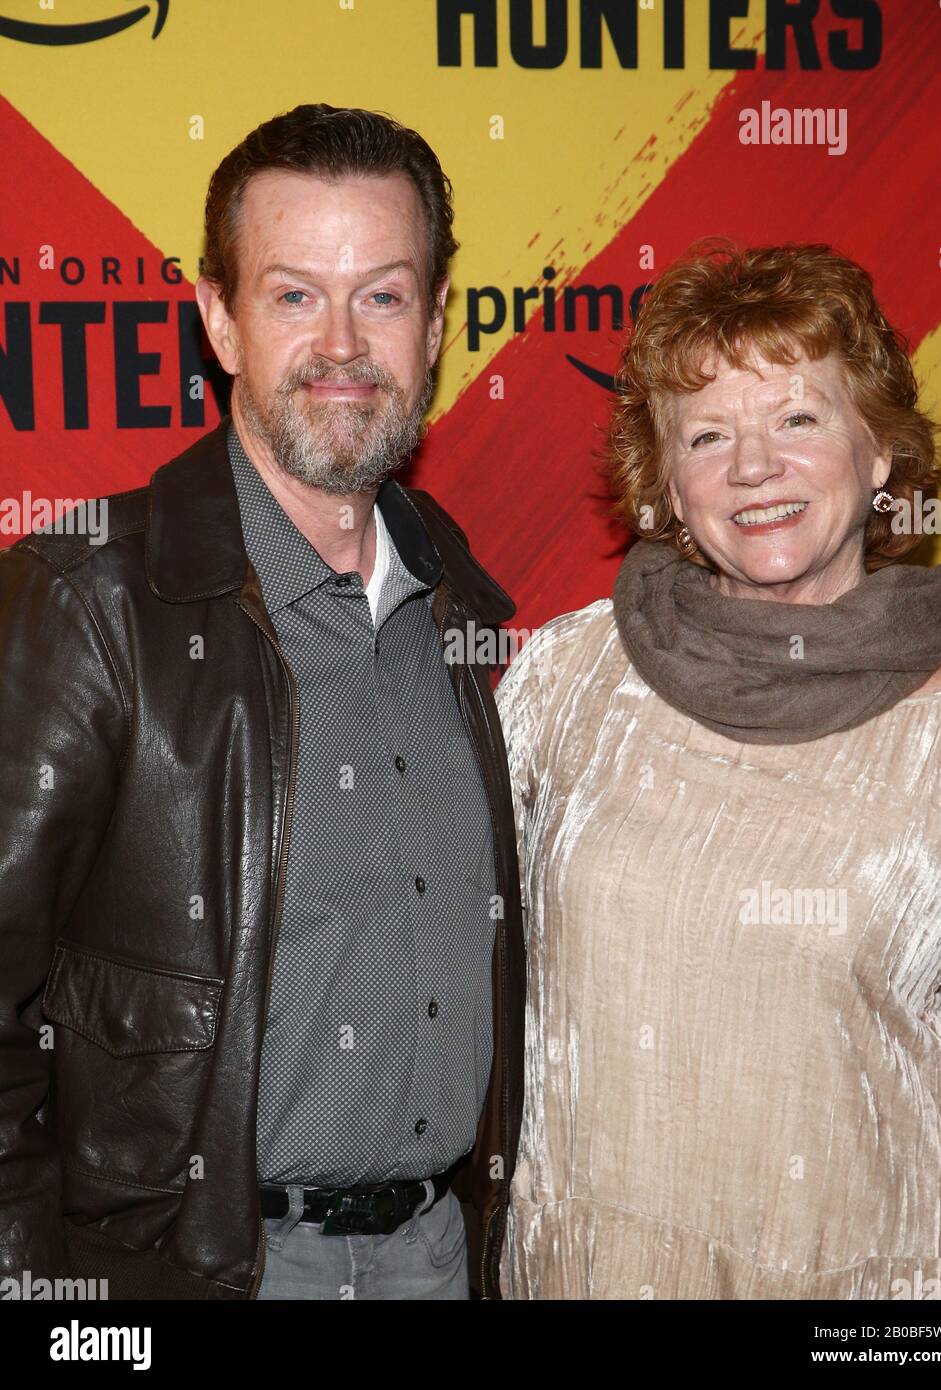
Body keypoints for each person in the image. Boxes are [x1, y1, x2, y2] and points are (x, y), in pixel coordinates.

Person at [0, 103, 525, 1301]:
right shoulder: (89, 600)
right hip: (192, 1277)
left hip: (448, 1260)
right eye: (294, 295)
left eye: (383, 296)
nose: (342, 344)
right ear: (220, 320)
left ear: (438, 324)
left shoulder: (466, 612)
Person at [496, 240, 941, 1300]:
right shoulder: (569, 678)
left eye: (798, 419)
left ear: (881, 460)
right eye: (709, 434)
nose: (753, 467)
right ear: (670, 489)